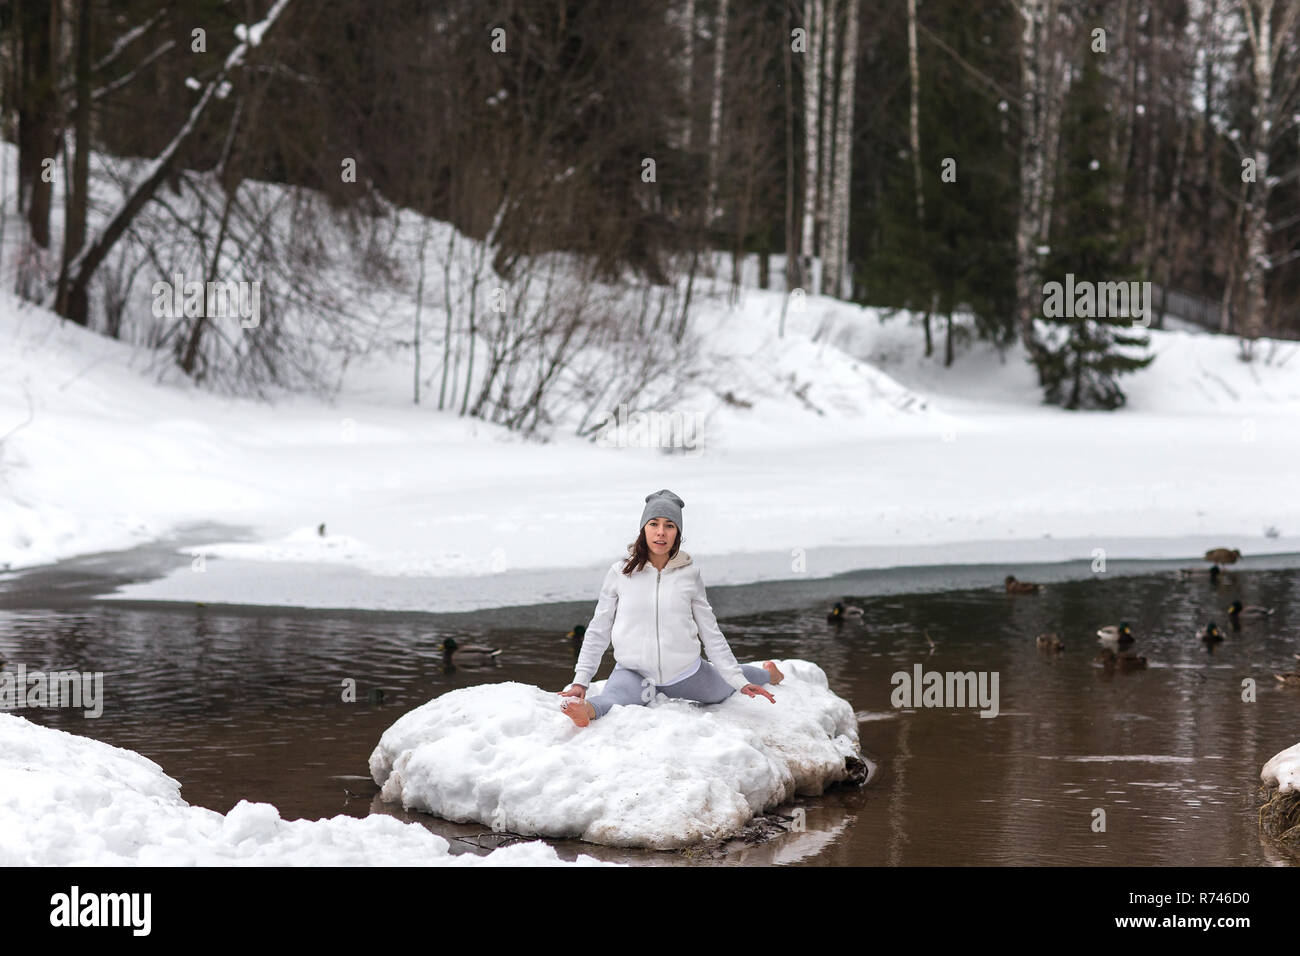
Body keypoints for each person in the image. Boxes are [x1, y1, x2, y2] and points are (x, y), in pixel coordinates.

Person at [559, 489, 783, 727]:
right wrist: (580, 682)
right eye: (653, 523)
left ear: (678, 533)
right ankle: (584, 711)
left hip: (687, 673)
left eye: (670, 525)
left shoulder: (690, 575)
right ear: (643, 528)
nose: (661, 532)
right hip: (635, 672)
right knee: (614, 699)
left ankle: (770, 674)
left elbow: (710, 633)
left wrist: (738, 681)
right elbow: (599, 629)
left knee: (725, 685)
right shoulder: (620, 573)